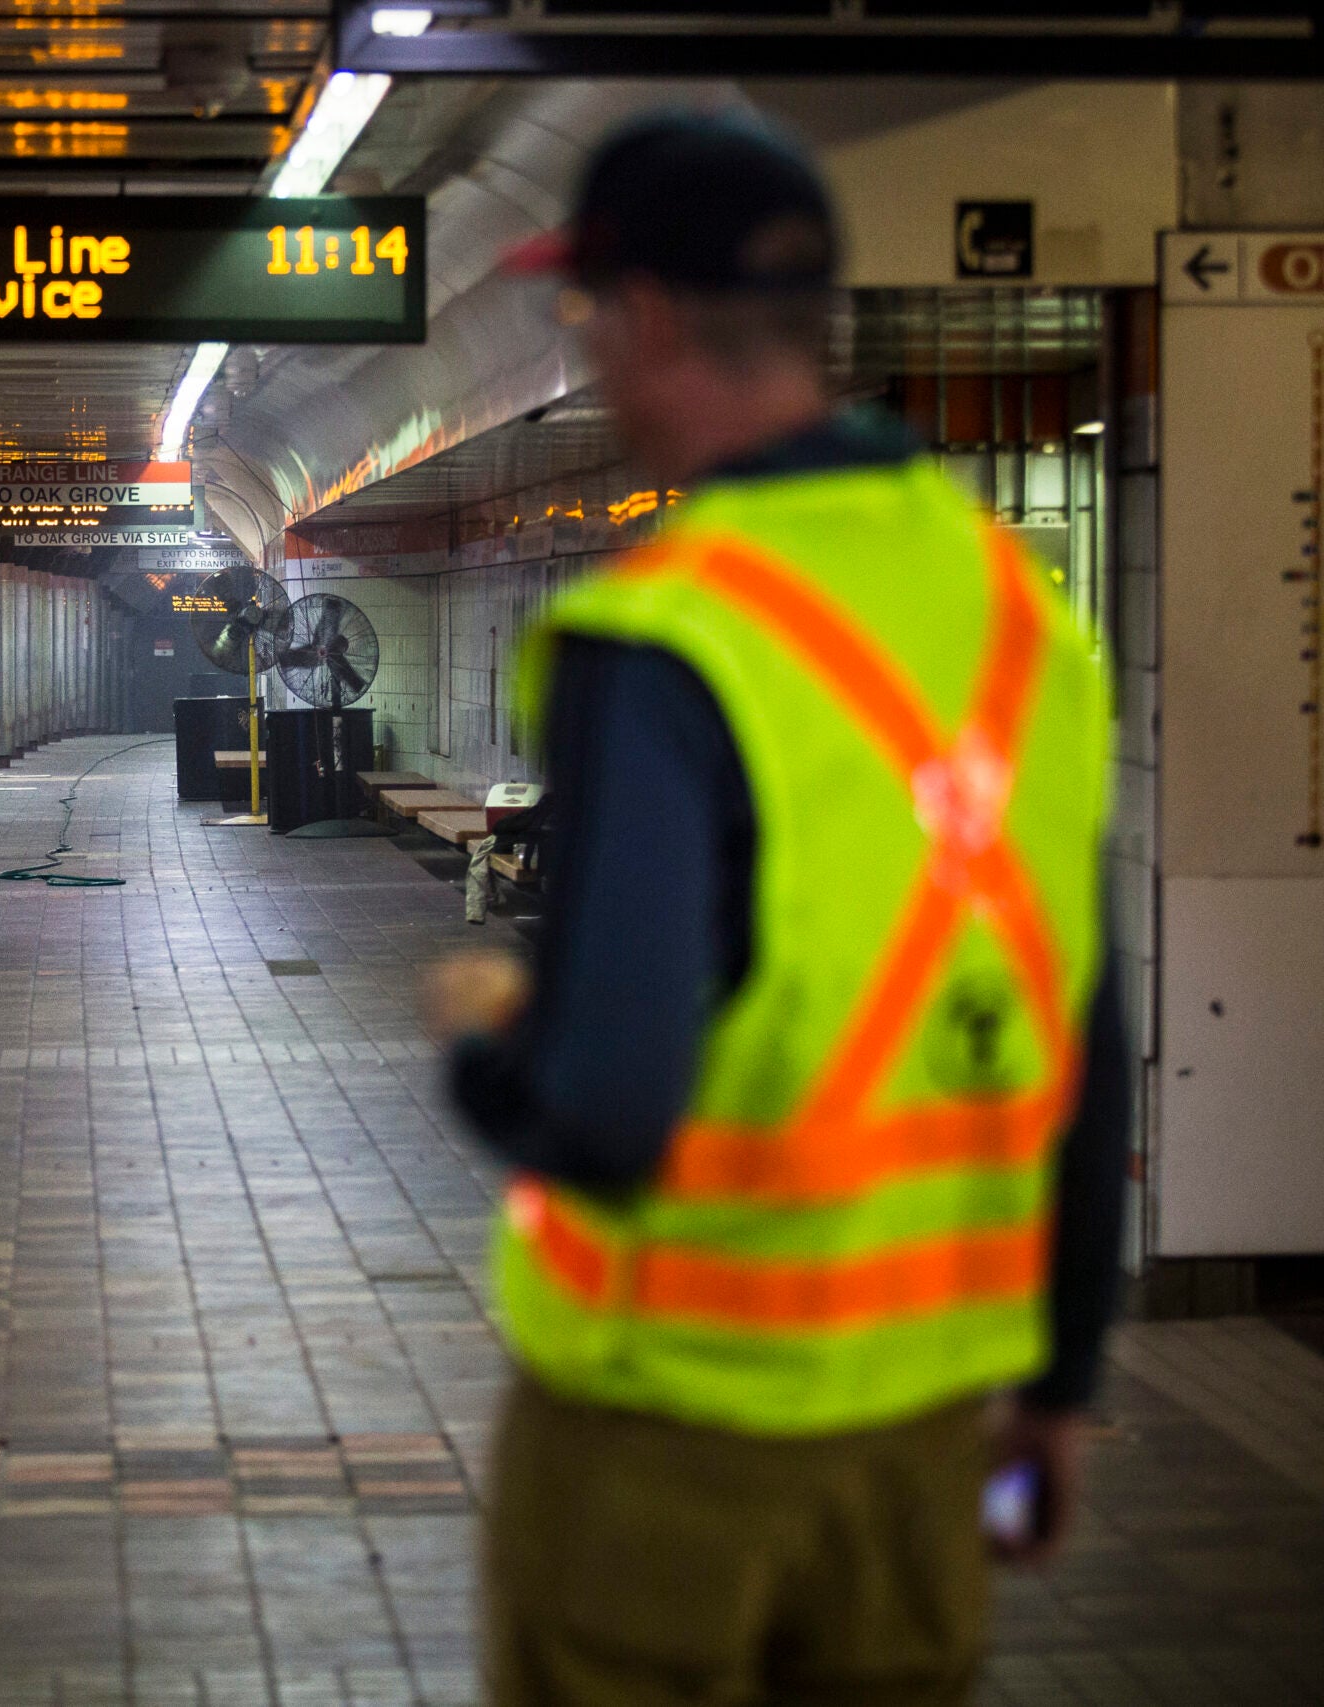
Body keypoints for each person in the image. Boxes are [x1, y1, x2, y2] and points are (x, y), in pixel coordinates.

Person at [425, 112, 1127, 1707]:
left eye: (585, 315)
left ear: (647, 315)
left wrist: (481, 1042)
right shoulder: (1023, 616)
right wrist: (1060, 1388)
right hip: (928, 1435)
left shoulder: (667, 634)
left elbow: (607, 1109)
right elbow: (1089, 1026)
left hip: (670, 1430)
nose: (588, 348)